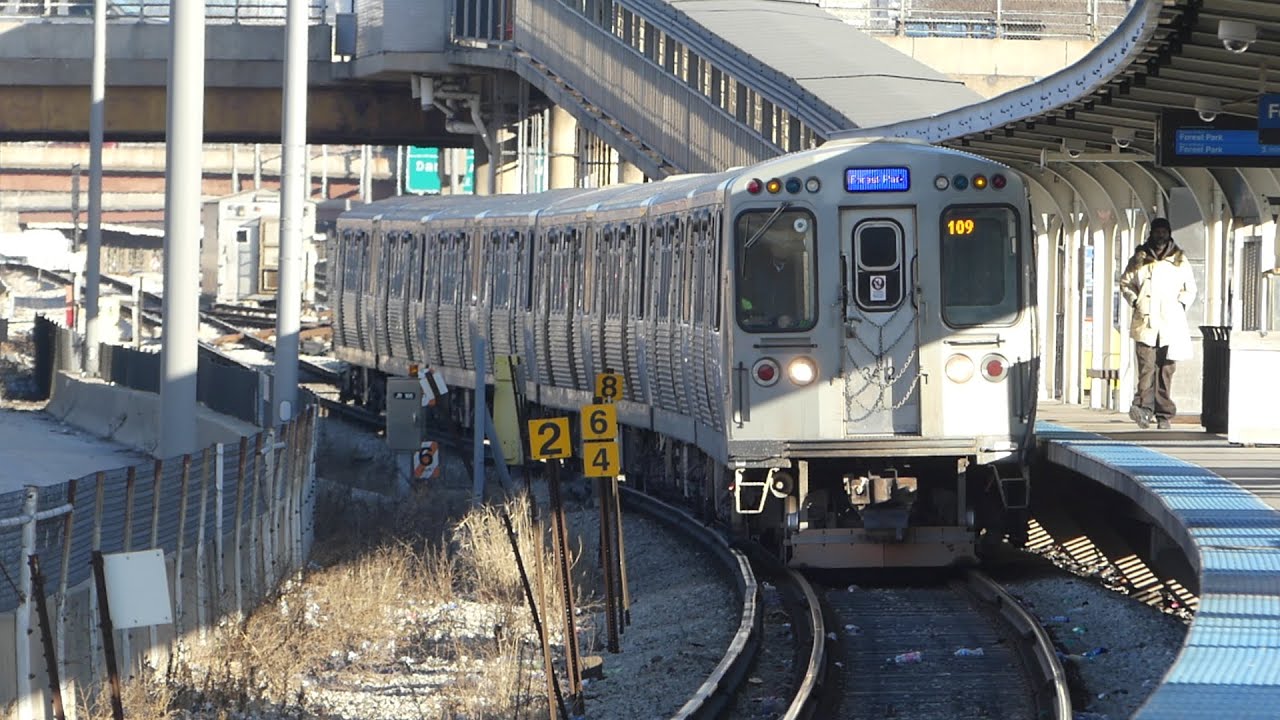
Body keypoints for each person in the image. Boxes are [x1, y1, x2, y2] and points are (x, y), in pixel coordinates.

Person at [1119, 217, 1196, 430]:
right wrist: (1135, 300)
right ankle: (1143, 408)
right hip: (1145, 322)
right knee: (1146, 368)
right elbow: (1125, 283)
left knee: (1166, 370)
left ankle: (1164, 414)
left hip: (1171, 324)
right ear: (1151, 234)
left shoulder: (1179, 260)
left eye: (1164, 232)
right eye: (1157, 232)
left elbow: (1190, 288)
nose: (1160, 236)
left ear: (1169, 234)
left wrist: (1180, 306)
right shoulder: (1139, 259)